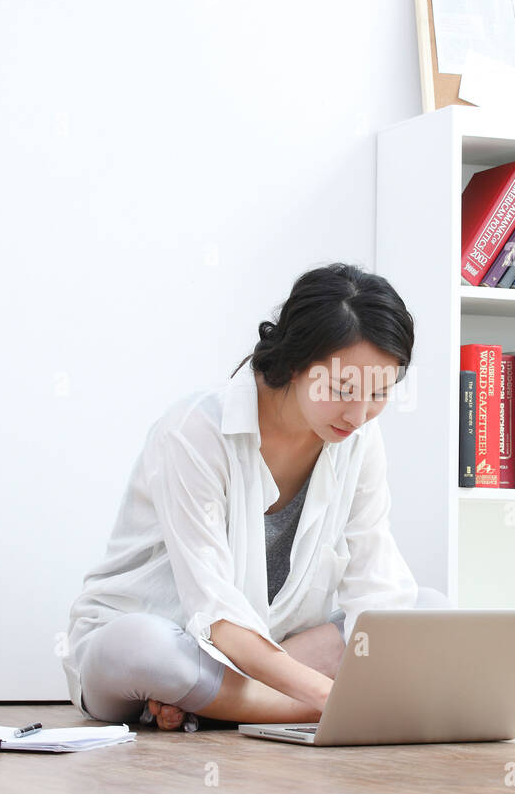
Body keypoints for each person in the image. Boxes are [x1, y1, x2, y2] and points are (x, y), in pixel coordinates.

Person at [63, 262, 449, 732]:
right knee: (144, 645)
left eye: (380, 393)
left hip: (276, 650)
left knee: (426, 611)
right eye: (342, 388)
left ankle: (215, 706)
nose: (360, 413)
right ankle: (312, 706)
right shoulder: (194, 432)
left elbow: (378, 586)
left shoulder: (360, 439)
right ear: (294, 361)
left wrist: (392, 652)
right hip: (173, 644)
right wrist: (335, 696)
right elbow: (217, 616)